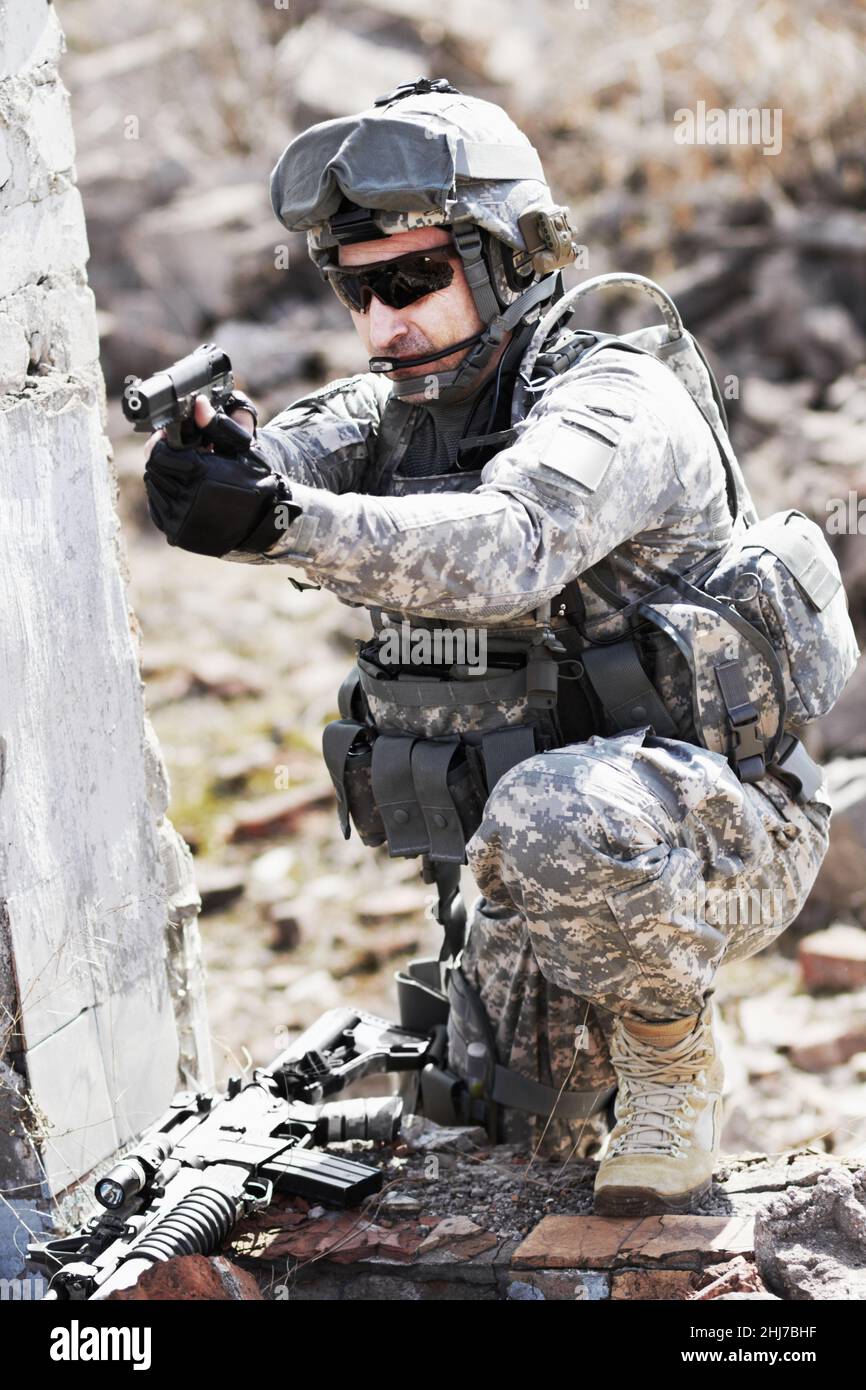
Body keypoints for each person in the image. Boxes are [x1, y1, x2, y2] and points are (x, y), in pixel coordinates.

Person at [142, 78, 834, 1216]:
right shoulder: (397, 403)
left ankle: (671, 1050)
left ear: (512, 258)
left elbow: (506, 545)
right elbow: (293, 459)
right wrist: (223, 470)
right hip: (519, 872)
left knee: (554, 811)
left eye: (412, 279)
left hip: (709, 830)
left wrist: (282, 526)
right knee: (492, 1143)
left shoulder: (612, 400)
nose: (382, 322)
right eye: (355, 290)